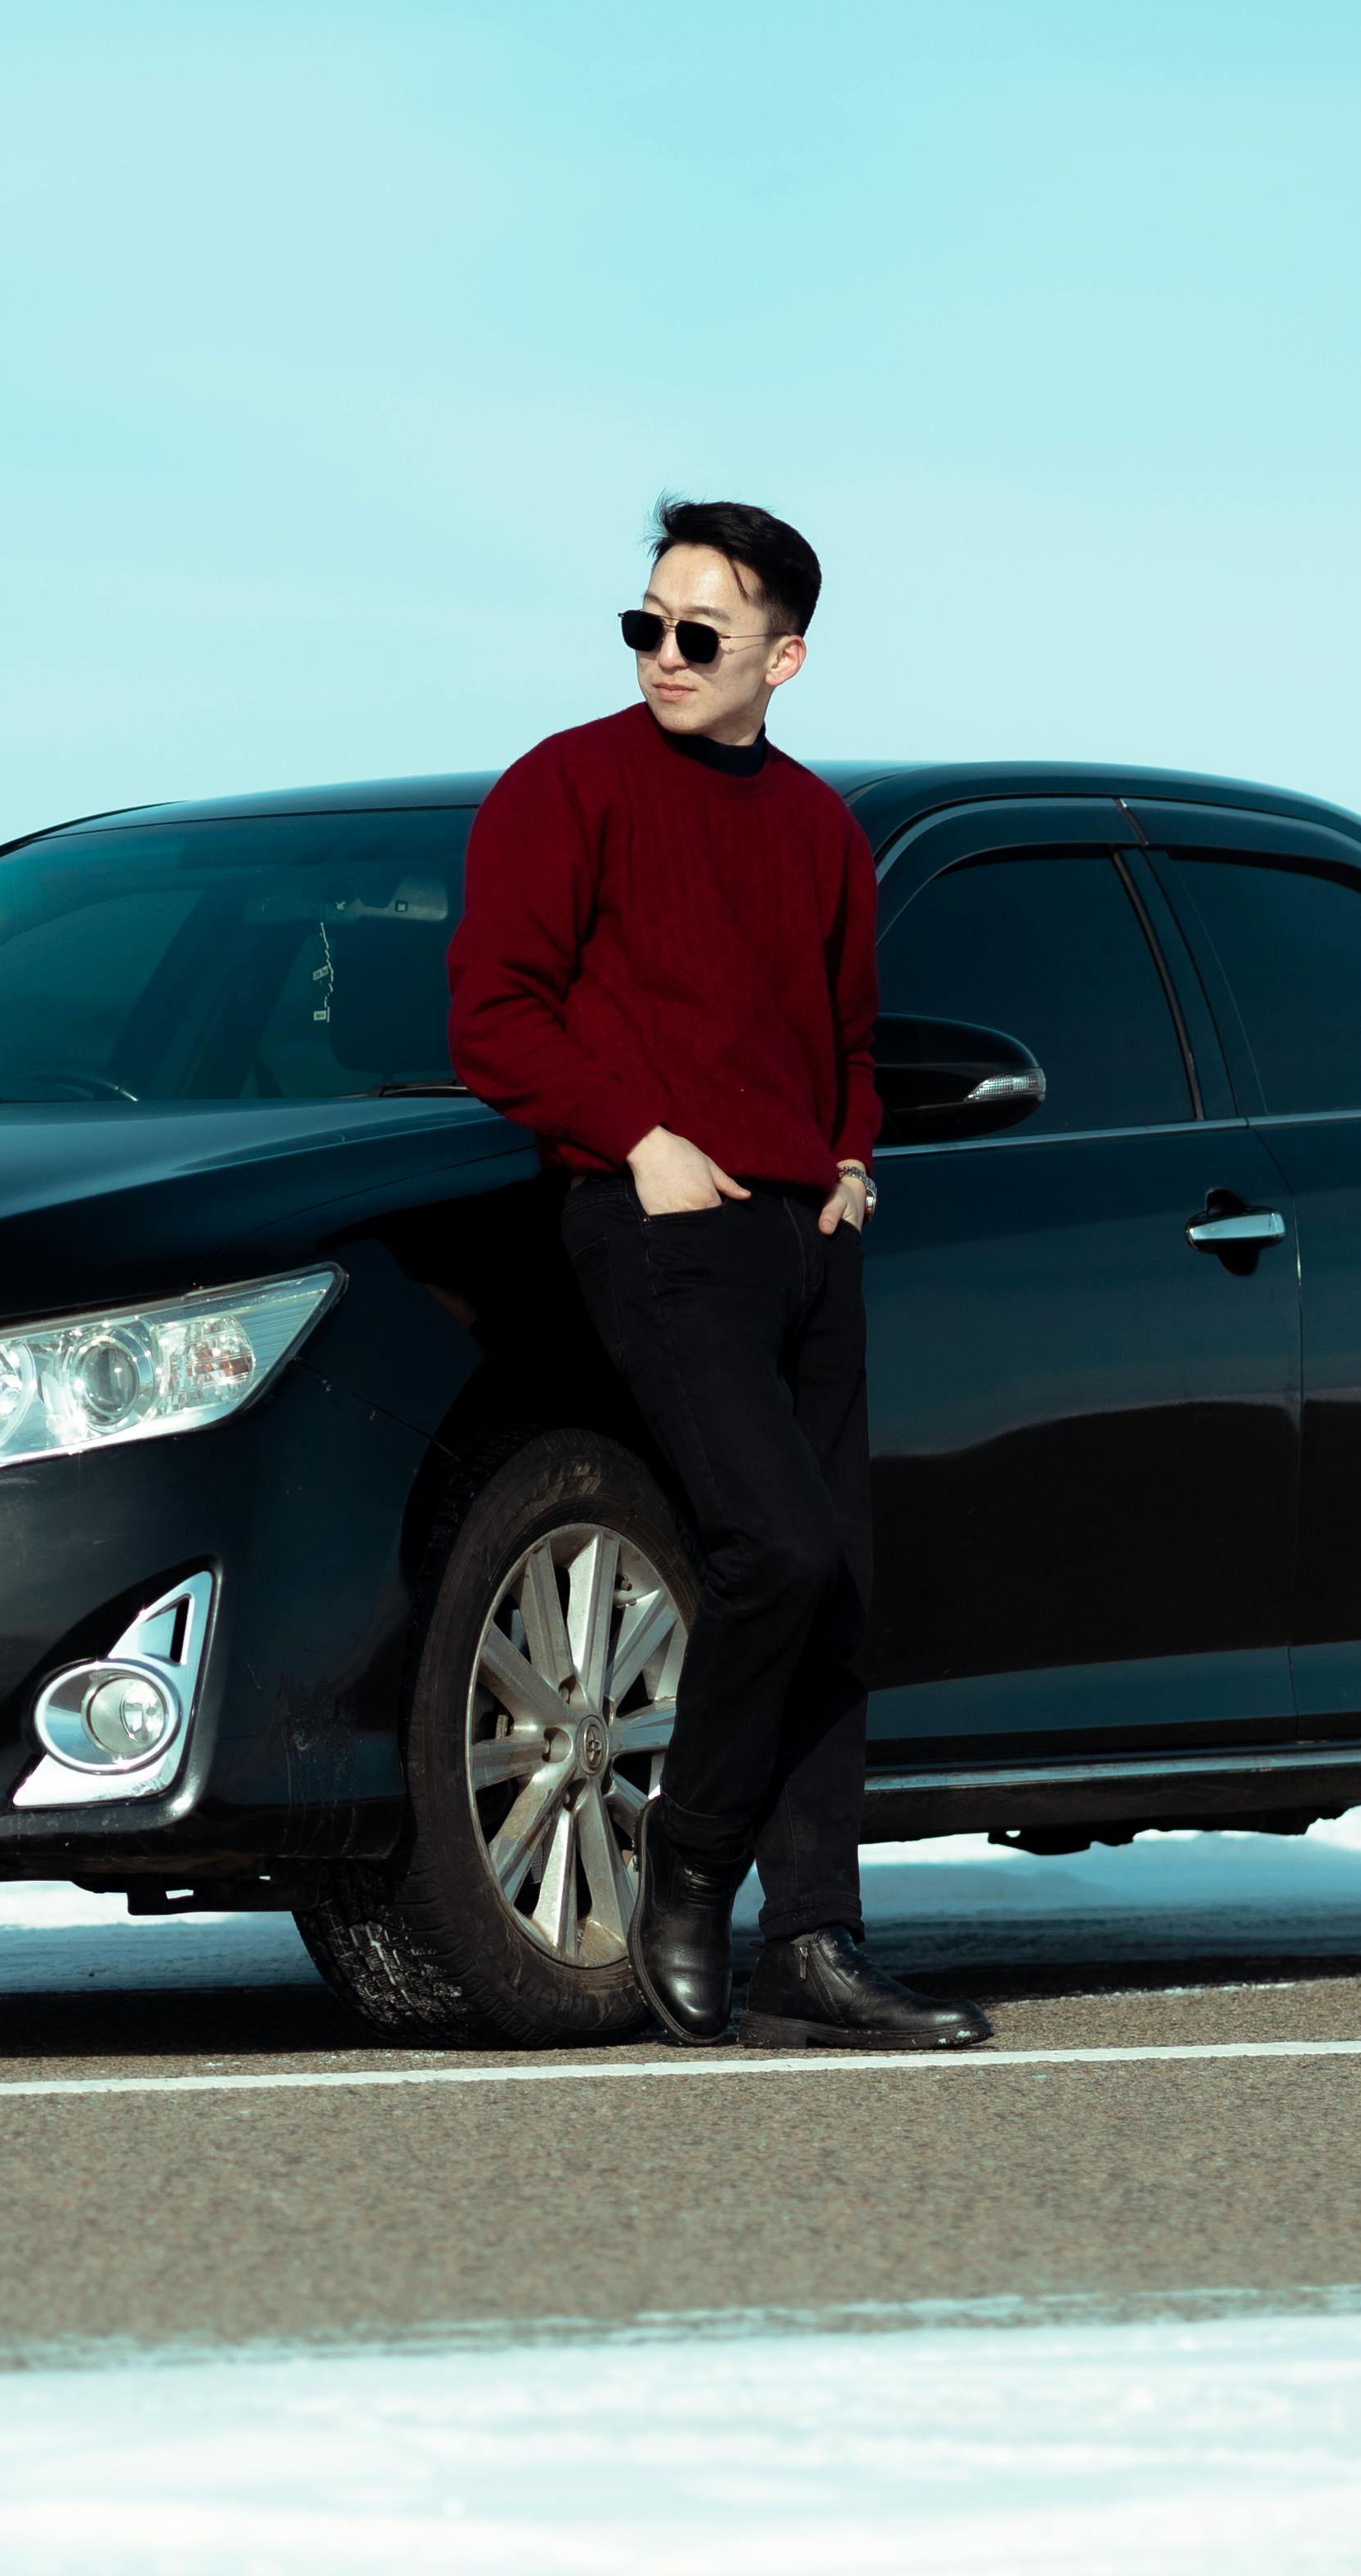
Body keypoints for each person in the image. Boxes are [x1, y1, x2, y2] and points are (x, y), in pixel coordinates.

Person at [444, 498, 991, 2052]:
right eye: (646, 625)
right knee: (778, 1556)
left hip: (809, 1235)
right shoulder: (567, 788)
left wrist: (856, 1152)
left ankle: (817, 1946)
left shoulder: (820, 829)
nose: (664, 656)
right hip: (660, 1223)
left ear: (786, 658)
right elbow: (496, 1013)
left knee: (841, 1596)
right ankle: (690, 1871)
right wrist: (637, 1139)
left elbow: (844, 1034)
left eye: (701, 635)